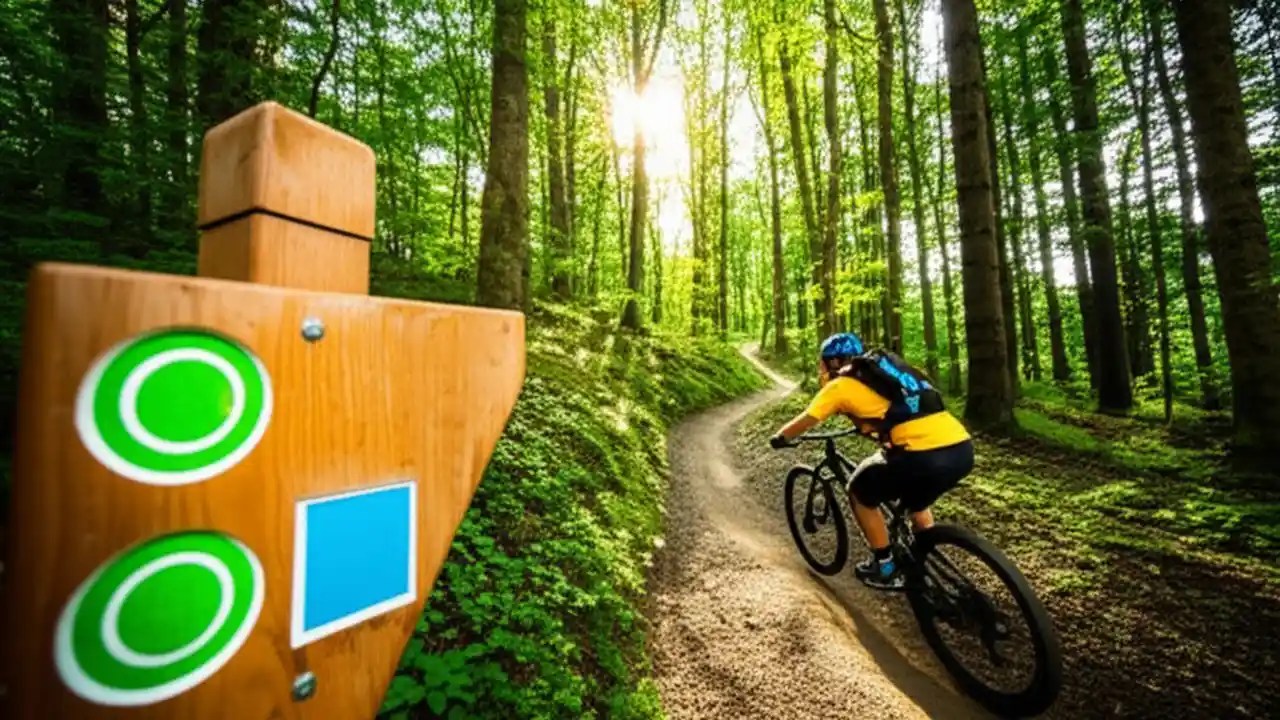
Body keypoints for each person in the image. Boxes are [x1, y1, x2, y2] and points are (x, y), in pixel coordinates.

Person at [768, 332, 974, 589]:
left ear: (832, 363)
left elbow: (809, 418)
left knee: (859, 490)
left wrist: (780, 437)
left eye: (822, 362)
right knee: (915, 500)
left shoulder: (839, 386)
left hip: (920, 455)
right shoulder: (893, 375)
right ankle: (927, 555)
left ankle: (885, 566)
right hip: (961, 448)